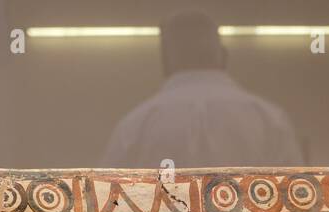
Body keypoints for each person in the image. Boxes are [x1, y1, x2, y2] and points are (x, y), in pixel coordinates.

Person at [101, 11, 304, 169]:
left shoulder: (134, 127)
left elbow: (103, 208)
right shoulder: (269, 119)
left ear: (165, 59)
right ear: (224, 56)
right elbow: (301, 203)